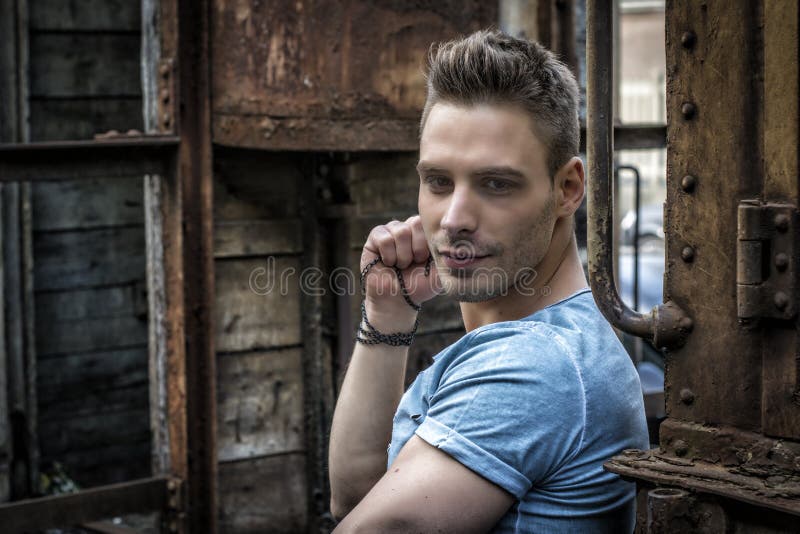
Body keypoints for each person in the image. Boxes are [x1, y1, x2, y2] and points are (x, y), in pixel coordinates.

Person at [328, 29, 648, 533]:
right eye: (438, 181)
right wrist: (387, 315)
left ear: (567, 189)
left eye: (495, 184)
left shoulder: (533, 366)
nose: (454, 218)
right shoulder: (547, 340)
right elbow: (355, 499)